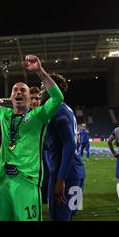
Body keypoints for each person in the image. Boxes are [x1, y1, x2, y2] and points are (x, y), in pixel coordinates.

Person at [0, 55, 64, 221]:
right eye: (15, 90)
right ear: (11, 97)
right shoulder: (3, 113)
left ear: (29, 98)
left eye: (23, 90)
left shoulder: (39, 116)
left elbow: (57, 98)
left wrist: (39, 71)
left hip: (26, 182)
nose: (18, 92)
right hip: (4, 182)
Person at [42, 74, 86, 221]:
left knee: (59, 217)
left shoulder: (57, 109)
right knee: (69, 216)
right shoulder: (67, 108)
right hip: (77, 172)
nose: (41, 91)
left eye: (43, 87)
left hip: (64, 175)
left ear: (52, 89)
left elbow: (70, 143)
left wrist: (60, 180)